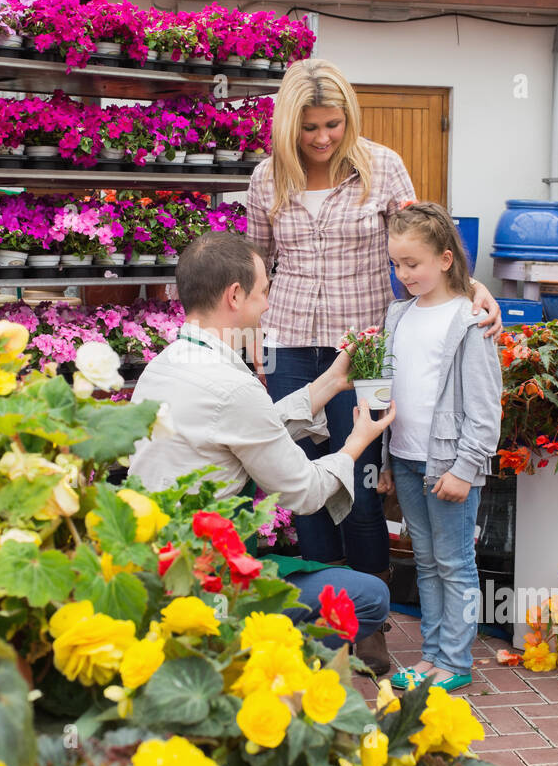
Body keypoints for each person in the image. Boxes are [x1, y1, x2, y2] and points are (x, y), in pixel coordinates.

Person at [246, 58, 501, 579]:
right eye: (309, 127)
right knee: (301, 478)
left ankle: (369, 608)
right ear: (288, 124)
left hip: (364, 349)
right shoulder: (266, 178)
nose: (321, 138)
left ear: (349, 118)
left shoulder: (382, 167)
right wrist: (248, 333)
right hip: (288, 345)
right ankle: (323, 598)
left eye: (332, 124)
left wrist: (472, 287)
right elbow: (255, 261)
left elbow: (427, 238)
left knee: (361, 481)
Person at [129, 231, 395, 656]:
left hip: (157, 561)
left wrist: (329, 383)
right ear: (235, 295)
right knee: (370, 598)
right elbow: (305, 492)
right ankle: (250, 656)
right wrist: (355, 444)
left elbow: (249, 427)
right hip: (207, 579)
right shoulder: (232, 386)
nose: (268, 305)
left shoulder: (165, 364)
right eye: (264, 292)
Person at [377, 202, 502, 692]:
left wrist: (466, 467)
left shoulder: (470, 320)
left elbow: (485, 407)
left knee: (456, 563)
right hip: (407, 461)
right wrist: (387, 460)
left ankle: (457, 660)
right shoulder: (398, 314)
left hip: (449, 465)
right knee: (425, 561)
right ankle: (432, 657)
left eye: (413, 264)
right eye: (396, 264)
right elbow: (391, 389)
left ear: (445, 260)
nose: (403, 274)